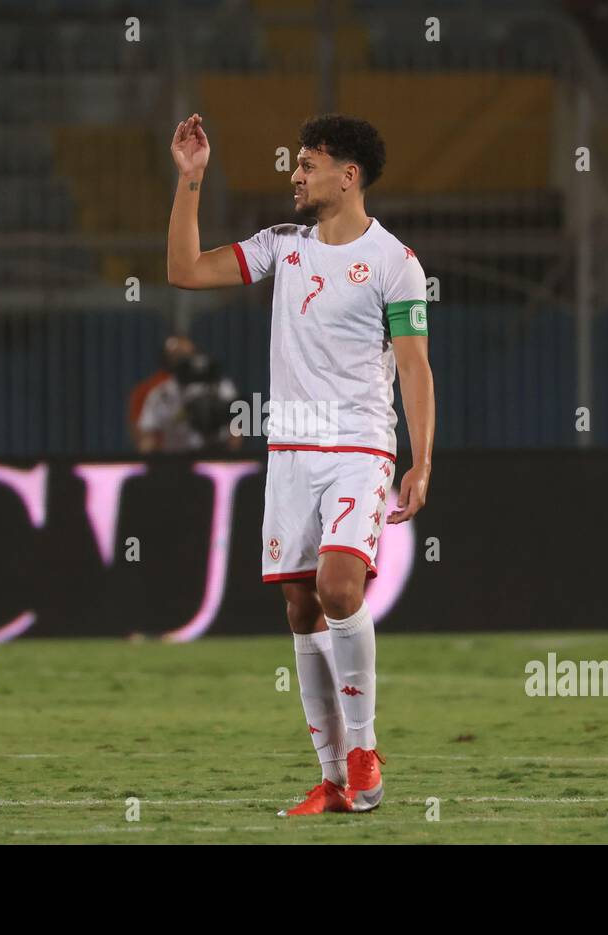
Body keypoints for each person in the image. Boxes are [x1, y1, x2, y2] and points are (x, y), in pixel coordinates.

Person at [167, 112, 436, 815]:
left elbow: (414, 367)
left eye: (308, 163)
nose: (295, 173)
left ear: (348, 176)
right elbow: (184, 271)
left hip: (360, 446)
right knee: (300, 606)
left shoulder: (395, 263)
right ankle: (335, 779)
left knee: (340, 586)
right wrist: (190, 179)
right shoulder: (281, 247)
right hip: (290, 449)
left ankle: (364, 751)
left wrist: (422, 459)